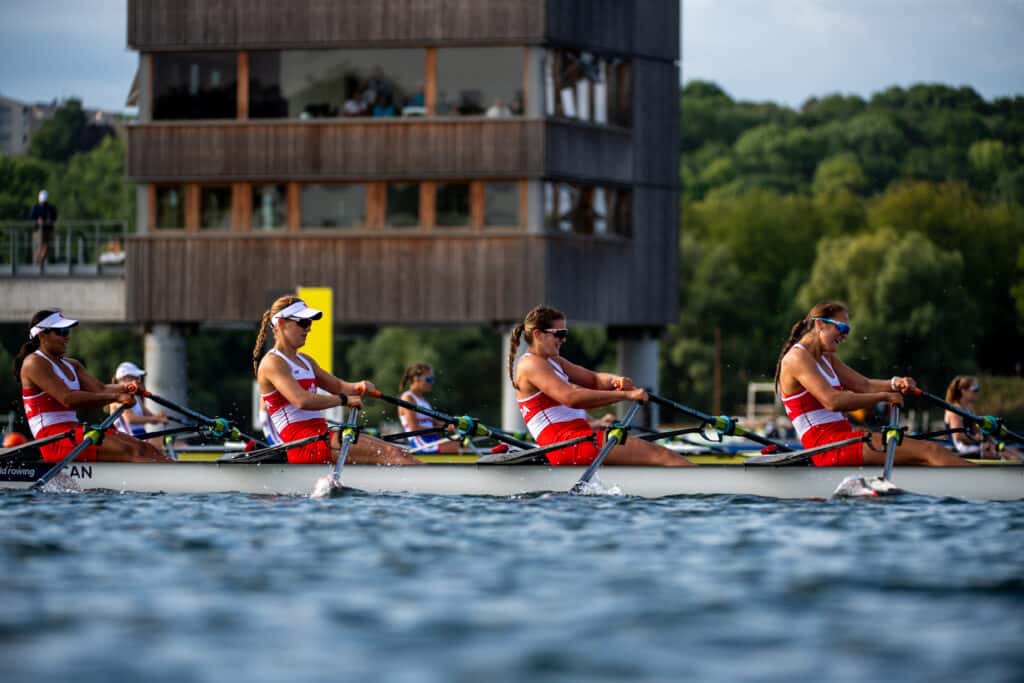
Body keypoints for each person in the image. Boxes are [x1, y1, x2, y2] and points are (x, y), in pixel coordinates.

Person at [774, 301, 972, 467]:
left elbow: (865, 385)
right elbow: (832, 401)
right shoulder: (796, 358)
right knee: (931, 450)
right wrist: (884, 397)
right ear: (819, 324)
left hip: (843, 436)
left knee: (921, 455)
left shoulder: (827, 358)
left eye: (847, 331)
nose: (845, 336)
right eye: (842, 328)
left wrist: (895, 384)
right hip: (824, 447)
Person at [509, 305, 695, 467]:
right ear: (538, 335)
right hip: (566, 444)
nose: (564, 340)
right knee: (662, 455)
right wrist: (626, 396)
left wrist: (617, 381)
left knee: (656, 456)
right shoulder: (531, 364)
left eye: (565, 334)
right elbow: (571, 399)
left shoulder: (554, 361)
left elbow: (595, 380)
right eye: (560, 334)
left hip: (579, 438)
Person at [253, 296, 421, 465]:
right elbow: (301, 400)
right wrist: (344, 400)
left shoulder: (306, 360)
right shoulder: (272, 363)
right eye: (303, 323)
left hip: (322, 435)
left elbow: (338, 386)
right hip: (303, 444)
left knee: (400, 452)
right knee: (392, 453)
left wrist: (359, 387)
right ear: (281, 323)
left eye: (310, 323)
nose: (308, 329)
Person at [13, 310, 170, 463]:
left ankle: (179, 477)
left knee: (146, 448)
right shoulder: (33, 363)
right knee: (132, 452)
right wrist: (116, 397)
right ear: (42, 335)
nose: (67, 337)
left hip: (74, 431)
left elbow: (100, 389)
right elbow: (68, 398)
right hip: (53, 439)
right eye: (61, 332)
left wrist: (126, 388)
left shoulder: (72, 364)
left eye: (67, 331)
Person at [944, 376, 1024, 462]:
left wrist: (986, 439)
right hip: (963, 449)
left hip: (974, 445)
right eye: (975, 389)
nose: (977, 393)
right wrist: (979, 441)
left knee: (1016, 450)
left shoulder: (969, 408)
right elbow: (959, 437)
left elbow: (977, 432)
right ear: (963, 391)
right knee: (1011, 456)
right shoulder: (955, 410)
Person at [397, 363, 460, 454]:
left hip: (432, 440)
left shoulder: (424, 402)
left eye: (432, 379)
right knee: (457, 446)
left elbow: (436, 423)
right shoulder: (408, 398)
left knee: (462, 443)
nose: (431, 383)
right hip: (420, 443)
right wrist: (445, 429)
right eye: (429, 379)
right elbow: (414, 429)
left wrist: (455, 424)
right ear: (416, 379)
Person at [107, 362, 169, 447]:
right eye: (135, 378)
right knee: (168, 443)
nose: (139, 381)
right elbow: (130, 419)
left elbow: (150, 417)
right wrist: (156, 418)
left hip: (140, 438)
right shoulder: (118, 398)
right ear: (125, 379)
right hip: (128, 441)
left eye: (138, 378)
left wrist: (159, 417)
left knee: (169, 441)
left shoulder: (136, 398)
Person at [30, 190, 57, 266]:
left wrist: (49, 220)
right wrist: (37, 220)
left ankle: (40, 262)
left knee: (46, 247)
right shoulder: (35, 208)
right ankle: (36, 264)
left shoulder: (50, 208)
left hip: (48, 230)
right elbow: (31, 218)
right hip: (38, 231)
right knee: (38, 247)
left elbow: (54, 217)